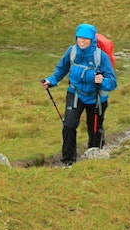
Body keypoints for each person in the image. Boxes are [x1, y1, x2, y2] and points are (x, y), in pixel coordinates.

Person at [42, 23, 117, 166]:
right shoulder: (72, 52)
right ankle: (68, 161)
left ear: (92, 40)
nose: (82, 41)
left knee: (94, 129)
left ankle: (94, 158)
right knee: (69, 126)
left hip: (96, 97)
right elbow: (61, 69)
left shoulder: (101, 57)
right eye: (79, 38)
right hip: (75, 94)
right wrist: (51, 81)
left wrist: (103, 81)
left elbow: (113, 82)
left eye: (85, 38)